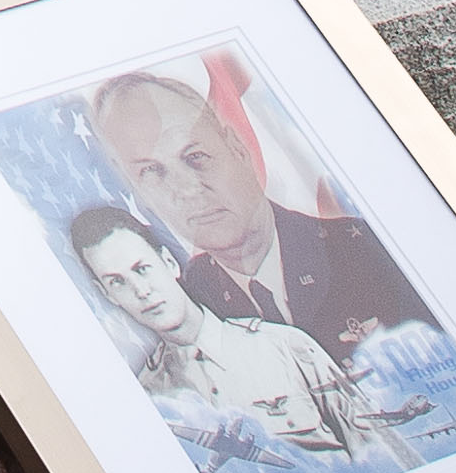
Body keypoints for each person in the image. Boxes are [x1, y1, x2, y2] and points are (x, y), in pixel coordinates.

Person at [85, 67, 422, 361]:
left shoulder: (365, 250)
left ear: (236, 147)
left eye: (195, 156)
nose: (186, 189)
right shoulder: (187, 301)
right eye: (152, 171)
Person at [62, 206, 383, 465]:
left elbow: (379, 450)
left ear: (169, 263)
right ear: (108, 296)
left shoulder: (286, 346)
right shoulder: (148, 400)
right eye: (117, 282)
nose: (141, 291)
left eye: (142, 269)